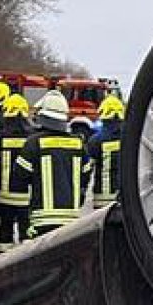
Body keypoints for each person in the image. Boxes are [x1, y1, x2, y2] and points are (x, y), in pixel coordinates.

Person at [27, 90, 89, 237]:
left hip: (41, 219)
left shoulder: (33, 143)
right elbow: (85, 176)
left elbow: (19, 178)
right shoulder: (78, 144)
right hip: (70, 218)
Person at [0, 90, 35, 252]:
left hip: (4, 197)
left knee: (5, 235)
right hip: (28, 198)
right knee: (28, 237)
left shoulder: (0, 137)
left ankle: (4, 268)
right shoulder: (34, 137)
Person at [85, 90, 127, 207]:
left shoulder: (95, 140)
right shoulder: (130, 137)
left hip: (102, 200)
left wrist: (81, 192)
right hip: (127, 198)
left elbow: (86, 170)